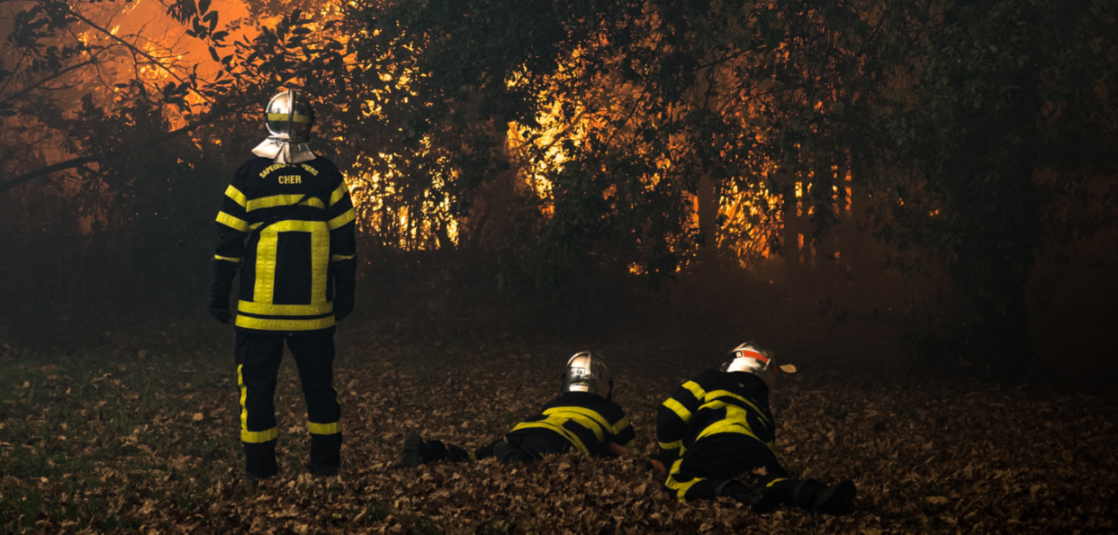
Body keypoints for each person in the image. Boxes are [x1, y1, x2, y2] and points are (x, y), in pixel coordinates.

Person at [209, 88, 356, 480]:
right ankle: (325, 467)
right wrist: (346, 292)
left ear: (267, 121)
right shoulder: (327, 174)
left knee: (256, 393)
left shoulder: (248, 173)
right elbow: (345, 243)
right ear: (309, 127)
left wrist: (219, 295)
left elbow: (227, 244)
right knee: (320, 390)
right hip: (314, 313)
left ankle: (260, 472)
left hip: (258, 314)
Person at [653, 342, 855, 515]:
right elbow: (768, 445)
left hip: (713, 443)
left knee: (676, 483)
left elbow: (669, 416)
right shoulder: (761, 403)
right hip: (756, 450)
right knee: (771, 480)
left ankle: (739, 493)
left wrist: (673, 460)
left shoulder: (710, 379)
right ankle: (817, 493)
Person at [400, 350, 636, 466]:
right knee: (535, 456)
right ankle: (519, 459)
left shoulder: (553, 404)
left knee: (476, 456)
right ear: (606, 384)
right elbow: (627, 449)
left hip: (525, 428)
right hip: (566, 439)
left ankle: (433, 450)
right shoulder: (613, 413)